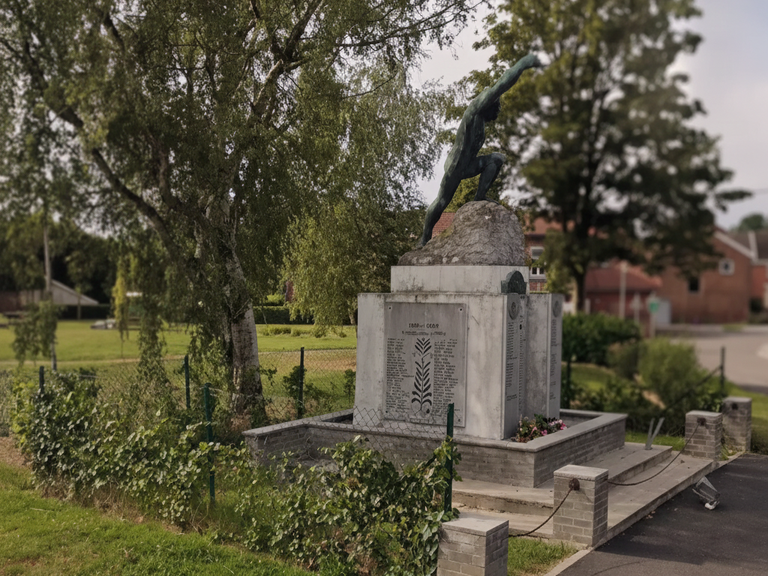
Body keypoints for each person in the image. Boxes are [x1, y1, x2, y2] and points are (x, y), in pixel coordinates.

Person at [418, 53, 542, 246]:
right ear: (488, 104)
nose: (498, 111)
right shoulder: (475, 110)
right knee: (442, 201)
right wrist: (524, 64)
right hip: (456, 165)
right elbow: (502, 84)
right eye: (497, 107)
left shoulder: (482, 122)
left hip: (469, 164)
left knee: (497, 159)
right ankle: (424, 237)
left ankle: (480, 197)